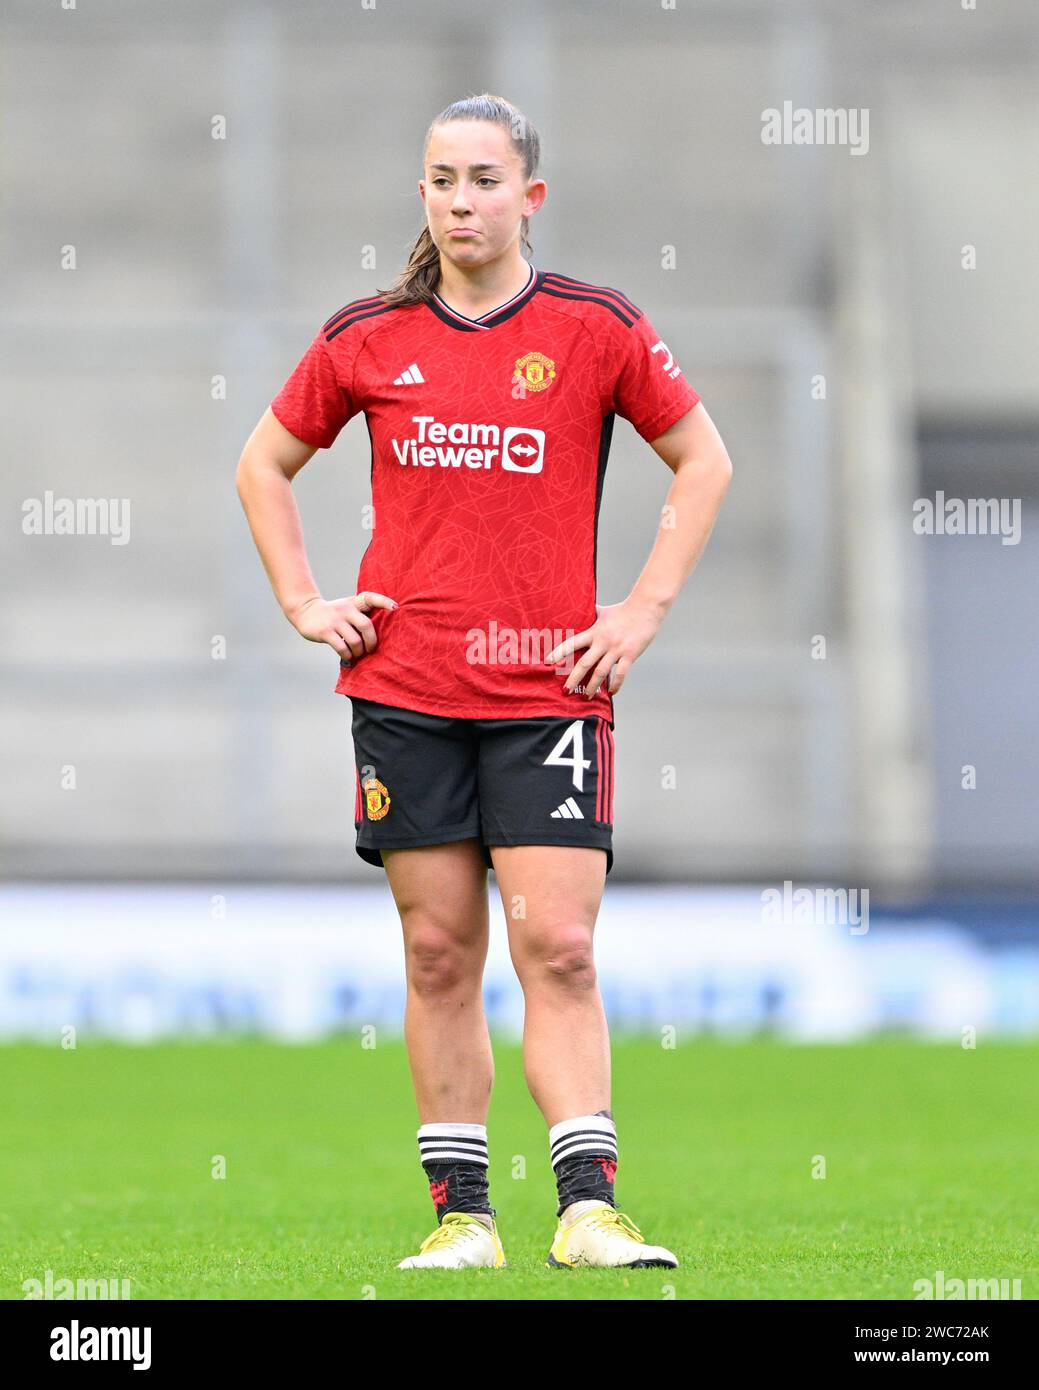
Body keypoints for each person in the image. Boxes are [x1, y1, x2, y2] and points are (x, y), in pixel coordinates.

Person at [236, 93, 732, 1271]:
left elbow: (704, 459)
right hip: (403, 690)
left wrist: (640, 609)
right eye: (443, 180)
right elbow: (262, 463)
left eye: (484, 180)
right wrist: (305, 602)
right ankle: (463, 1215)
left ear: (530, 196)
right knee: (438, 951)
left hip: (548, 691)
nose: (462, 200)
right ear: (422, 194)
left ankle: (587, 1208)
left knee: (556, 943)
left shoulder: (595, 327)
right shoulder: (367, 336)